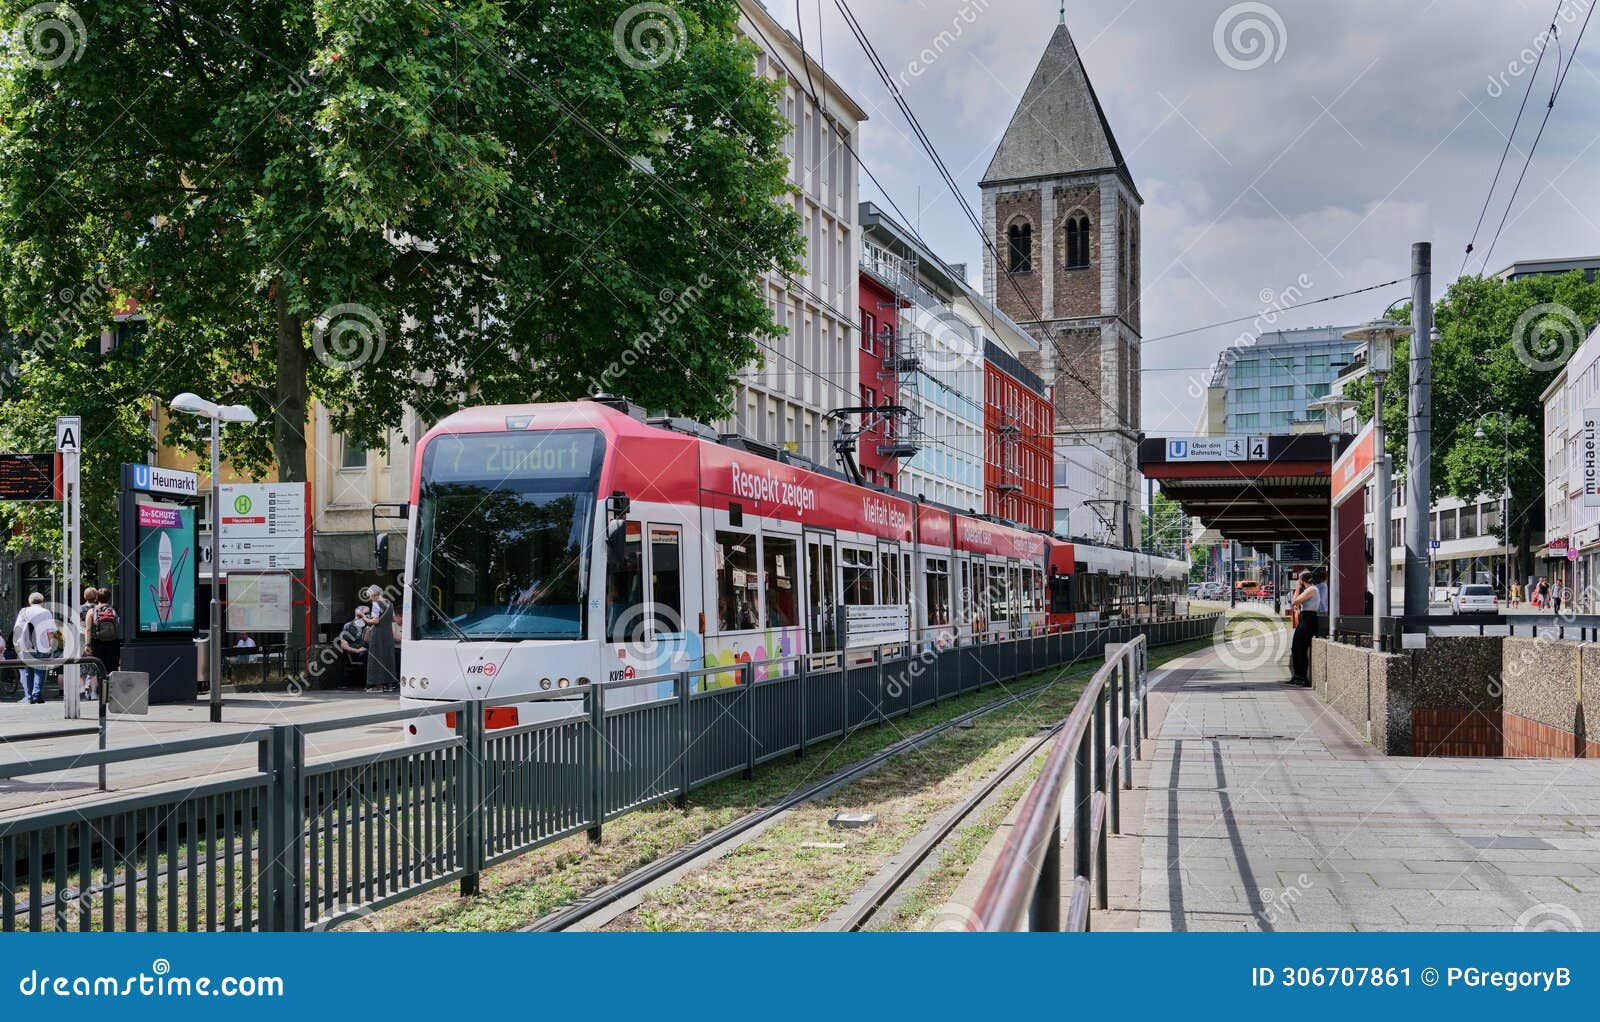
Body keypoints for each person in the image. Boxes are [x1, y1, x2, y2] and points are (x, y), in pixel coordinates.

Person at [12, 593, 58, 704]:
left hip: (26, 646)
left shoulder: (23, 612)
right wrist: (52, 646)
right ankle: (36, 694)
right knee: (40, 670)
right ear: (42, 601)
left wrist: (18, 646)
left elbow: (17, 629)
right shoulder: (45, 612)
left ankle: (29, 696)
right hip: (42, 645)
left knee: (28, 671)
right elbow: (50, 631)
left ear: (29, 601)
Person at [1287, 570, 1321, 688]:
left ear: (1302, 580)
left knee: (1300, 647)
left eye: (1299, 580)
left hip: (1309, 619)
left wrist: (1297, 588)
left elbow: (1295, 601)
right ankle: (1297, 676)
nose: (1298, 582)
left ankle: (1302, 678)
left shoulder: (1312, 589)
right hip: (1305, 618)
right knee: (1296, 647)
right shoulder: (1309, 590)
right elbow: (1295, 603)